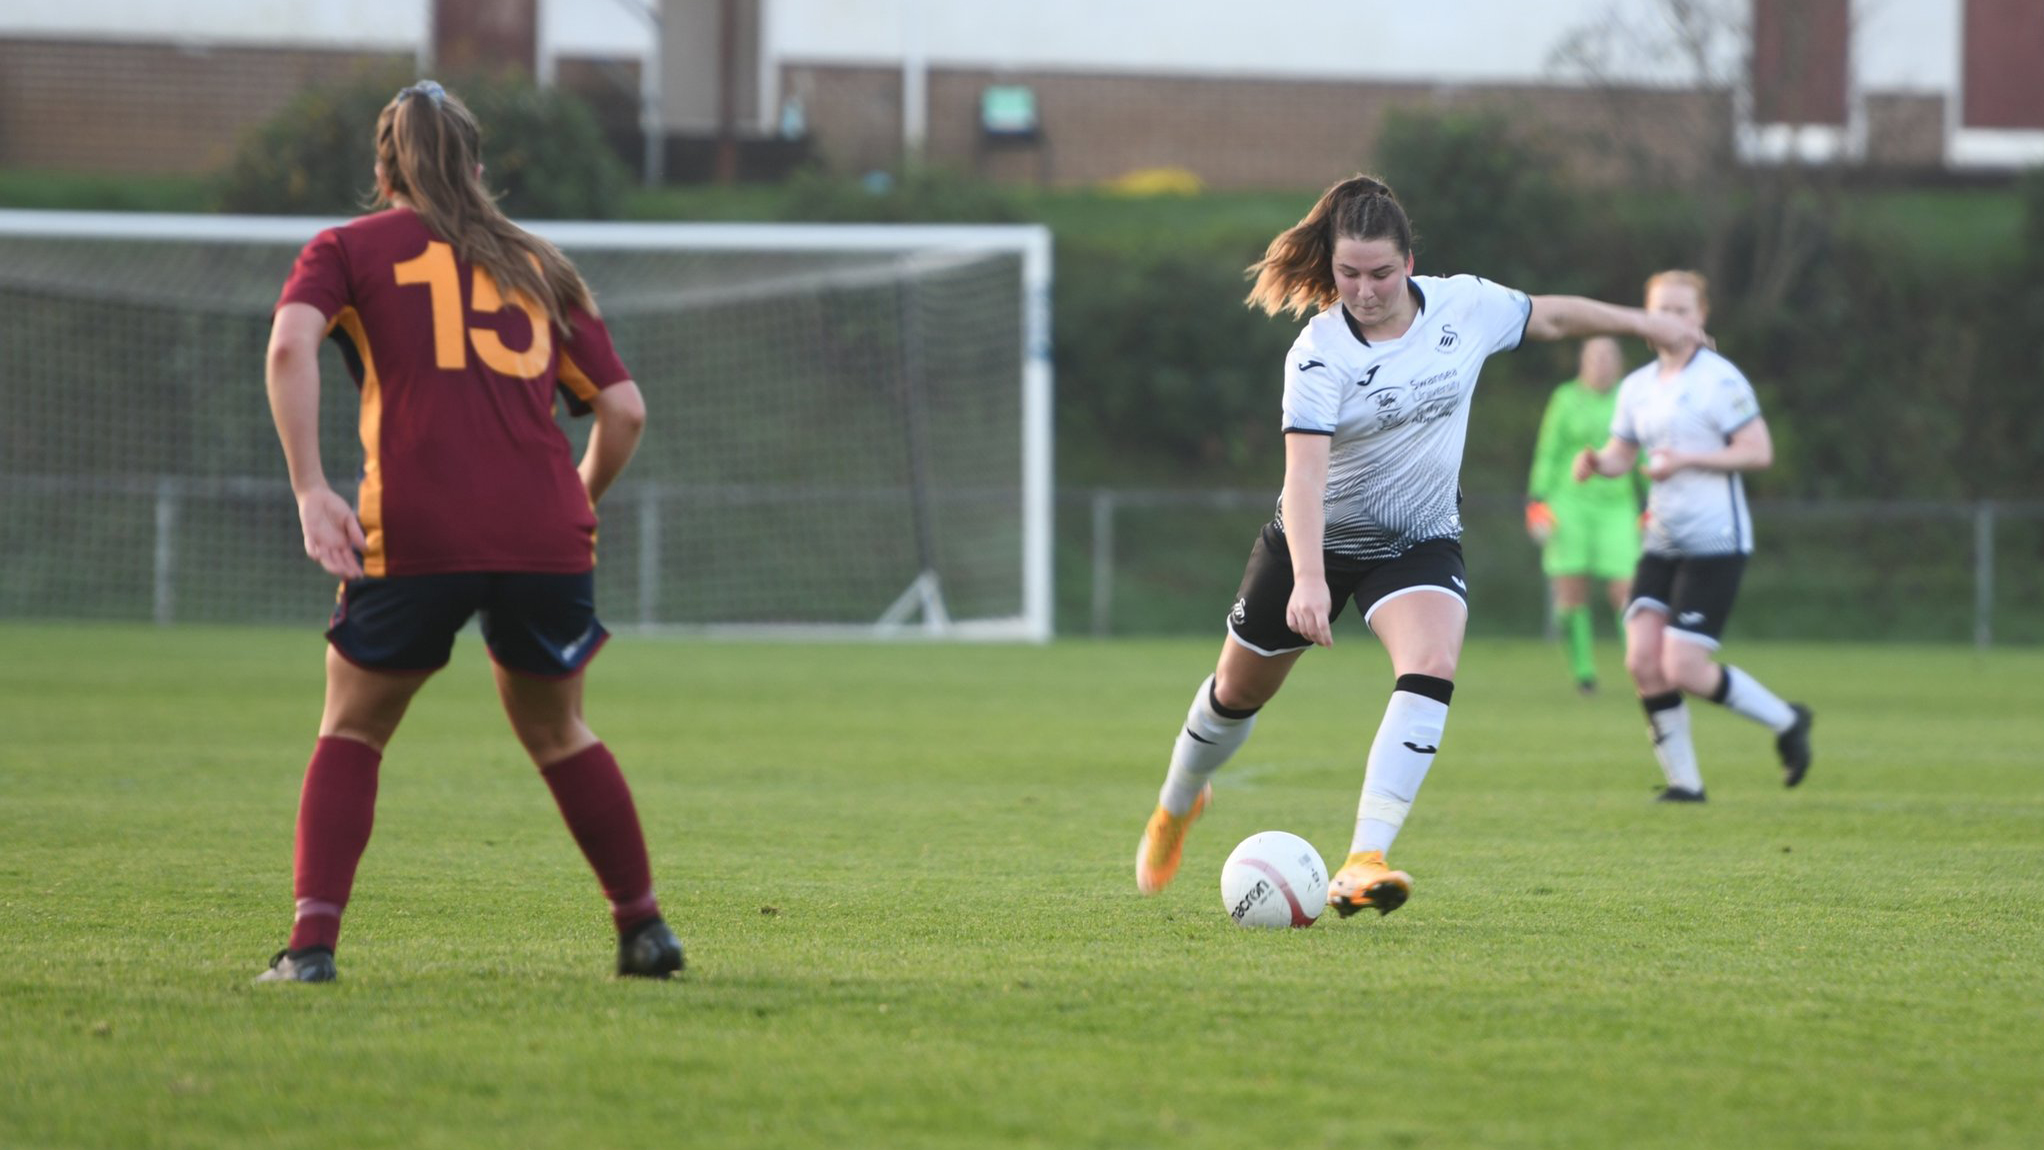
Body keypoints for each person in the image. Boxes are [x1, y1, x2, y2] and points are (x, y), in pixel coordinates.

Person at [1133, 174, 1710, 916]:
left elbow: (1556, 317)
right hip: (1315, 542)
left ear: (1409, 262)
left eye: (1379, 274)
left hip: (1418, 540)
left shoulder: (1463, 305)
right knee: (1235, 695)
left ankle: (1364, 858)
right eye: (1347, 275)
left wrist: (1648, 325)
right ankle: (1176, 805)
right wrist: (1308, 579)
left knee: (1432, 662)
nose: (1364, 291)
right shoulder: (1318, 353)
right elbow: (1303, 479)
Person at [256, 80, 681, 982]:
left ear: (383, 171)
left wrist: (309, 488)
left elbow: (291, 346)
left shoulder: (346, 247)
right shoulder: (540, 264)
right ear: (479, 169)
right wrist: (578, 499)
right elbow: (626, 411)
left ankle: (311, 949)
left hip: (416, 526)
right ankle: (644, 931)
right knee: (560, 730)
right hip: (543, 535)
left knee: (354, 730)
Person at [1572, 270, 1813, 803]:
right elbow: (1622, 455)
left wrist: (1687, 460)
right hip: (1662, 542)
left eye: (1683, 310)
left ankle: (1787, 720)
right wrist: (1596, 462)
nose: (1672, 319)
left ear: (1701, 317)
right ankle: (1686, 783)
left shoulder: (1720, 380)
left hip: (1716, 542)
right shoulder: (1636, 387)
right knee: (1641, 661)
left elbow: (1758, 450)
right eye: (1662, 309)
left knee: (1682, 666)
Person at [1525, 336, 1640, 694]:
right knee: (1571, 591)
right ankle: (1584, 673)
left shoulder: (1631, 397)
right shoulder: (1565, 398)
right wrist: (1537, 501)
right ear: (1583, 362)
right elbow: (1549, 450)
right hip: (1569, 501)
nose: (1602, 363)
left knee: (1628, 588)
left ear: (1619, 363)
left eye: (1609, 356)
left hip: (1617, 504)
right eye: (1595, 357)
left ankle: (1641, 666)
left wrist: (1653, 502)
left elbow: (1645, 451)